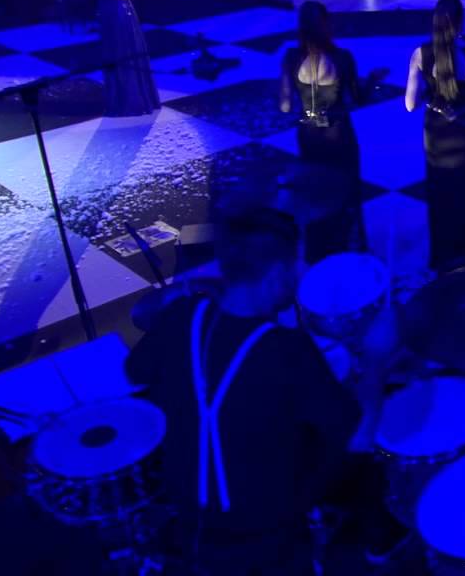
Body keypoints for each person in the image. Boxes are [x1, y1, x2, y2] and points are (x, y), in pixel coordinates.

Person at [125, 208, 361, 575]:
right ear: (277, 273)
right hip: (270, 536)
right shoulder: (288, 348)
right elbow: (354, 434)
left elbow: (135, 371)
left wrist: (184, 300)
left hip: (189, 522)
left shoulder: (182, 316)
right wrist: (376, 360)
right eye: (294, 266)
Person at [405, 0, 465, 272]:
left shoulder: (420, 54)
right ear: (461, 22)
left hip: (436, 135)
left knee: (441, 195)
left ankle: (443, 258)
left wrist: (431, 99)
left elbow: (409, 105)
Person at [279, 0, 367, 264]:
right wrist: (372, 82)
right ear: (327, 25)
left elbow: (284, 106)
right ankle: (350, 259)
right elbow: (357, 98)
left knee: (316, 199)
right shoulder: (343, 59)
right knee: (346, 199)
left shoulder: (291, 59)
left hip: (309, 139)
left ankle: (320, 261)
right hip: (340, 139)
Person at [85, 0, 160, 116]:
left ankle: (120, 98)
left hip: (105, 13)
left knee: (113, 53)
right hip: (120, 12)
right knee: (129, 52)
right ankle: (136, 100)